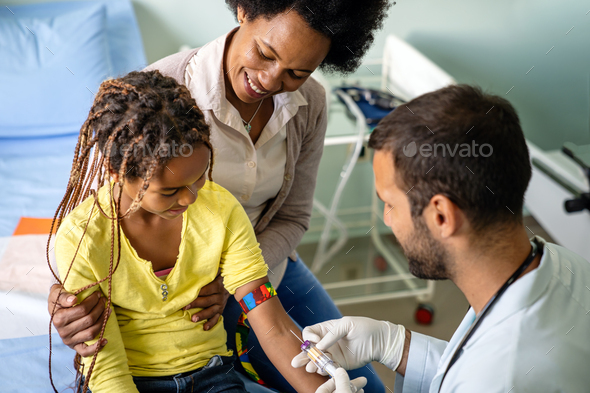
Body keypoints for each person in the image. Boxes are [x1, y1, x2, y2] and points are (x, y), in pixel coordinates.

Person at [48, 1, 392, 392]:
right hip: (178, 308)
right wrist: (66, 294)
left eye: (297, 72)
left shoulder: (302, 112)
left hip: (255, 263)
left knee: (361, 384)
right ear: (245, 10)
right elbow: (96, 229)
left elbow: (292, 224)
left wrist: (229, 278)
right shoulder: (150, 98)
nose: (271, 79)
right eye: (265, 53)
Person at [292, 85, 590, 392]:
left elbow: (486, 375)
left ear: (441, 217)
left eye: (391, 203)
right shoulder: (565, 264)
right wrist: (395, 345)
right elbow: (472, 365)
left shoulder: (502, 377)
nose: (386, 218)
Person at [49, 70, 332, 393]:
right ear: (116, 172)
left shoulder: (220, 209)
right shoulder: (83, 238)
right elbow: (106, 365)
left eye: (198, 178)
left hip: (213, 376)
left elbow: (272, 323)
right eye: (170, 191)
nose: (190, 198)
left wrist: (327, 388)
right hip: (131, 381)